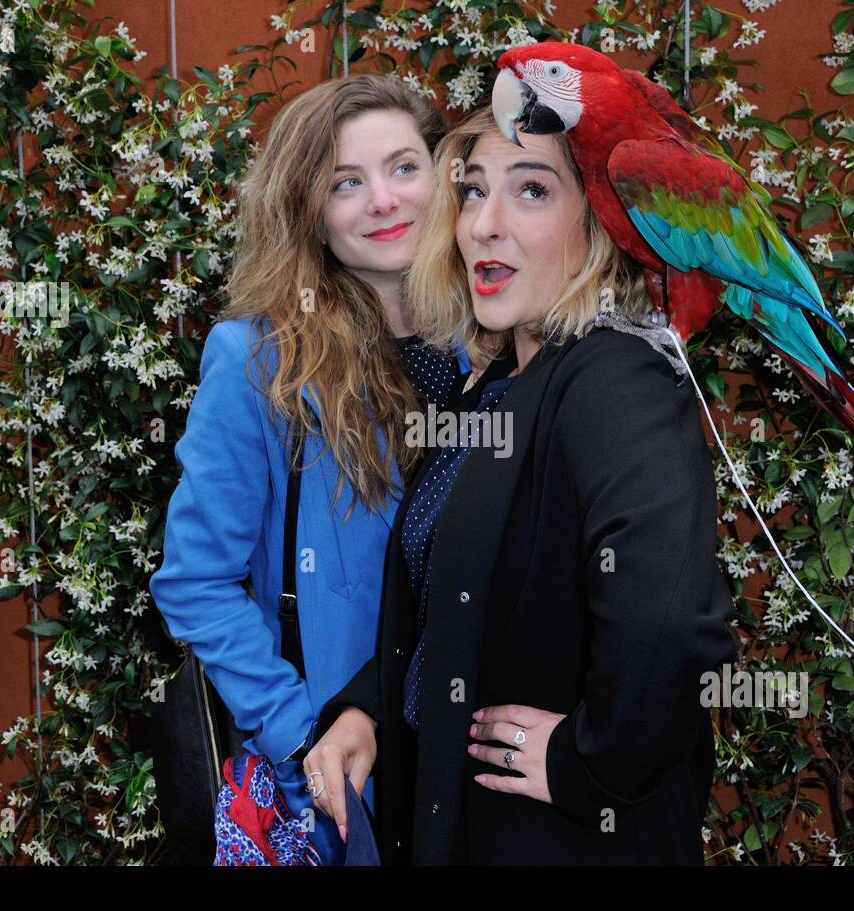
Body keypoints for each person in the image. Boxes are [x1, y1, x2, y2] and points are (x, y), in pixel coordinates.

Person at [305, 107, 738, 864]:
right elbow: (459, 602)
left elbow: (670, 627)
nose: (484, 225)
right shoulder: (500, 386)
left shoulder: (615, 376)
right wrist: (366, 711)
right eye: (472, 193)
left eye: (531, 191)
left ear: (602, 224)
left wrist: (588, 761)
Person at [149, 74, 463, 866]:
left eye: (403, 168)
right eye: (345, 183)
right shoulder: (258, 359)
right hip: (337, 778)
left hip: (468, 767)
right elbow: (194, 581)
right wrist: (298, 736)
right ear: (310, 213)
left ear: (444, 177)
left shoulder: (497, 348)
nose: (384, 202)